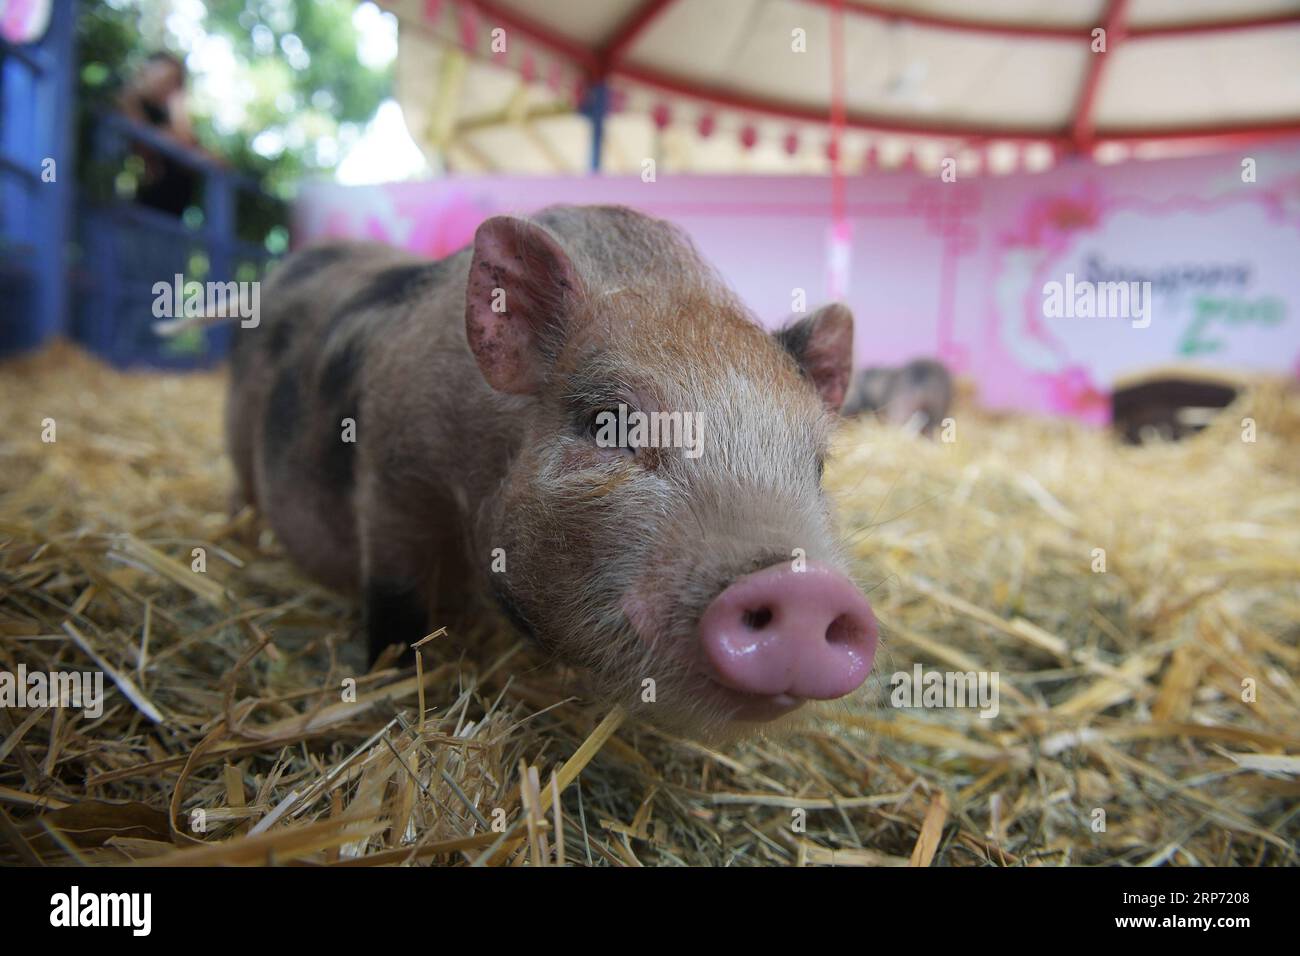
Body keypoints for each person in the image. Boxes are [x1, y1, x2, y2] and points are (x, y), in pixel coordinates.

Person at [117, 51, 203, 217]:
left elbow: (196, 151)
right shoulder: (127, 98)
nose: (171, 88)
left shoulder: (160, 115)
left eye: (177, 83)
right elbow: (180, 145)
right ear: (145, 72)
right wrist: (178, 108)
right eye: (167, 79)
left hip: (164, 217)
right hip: (123, 212)